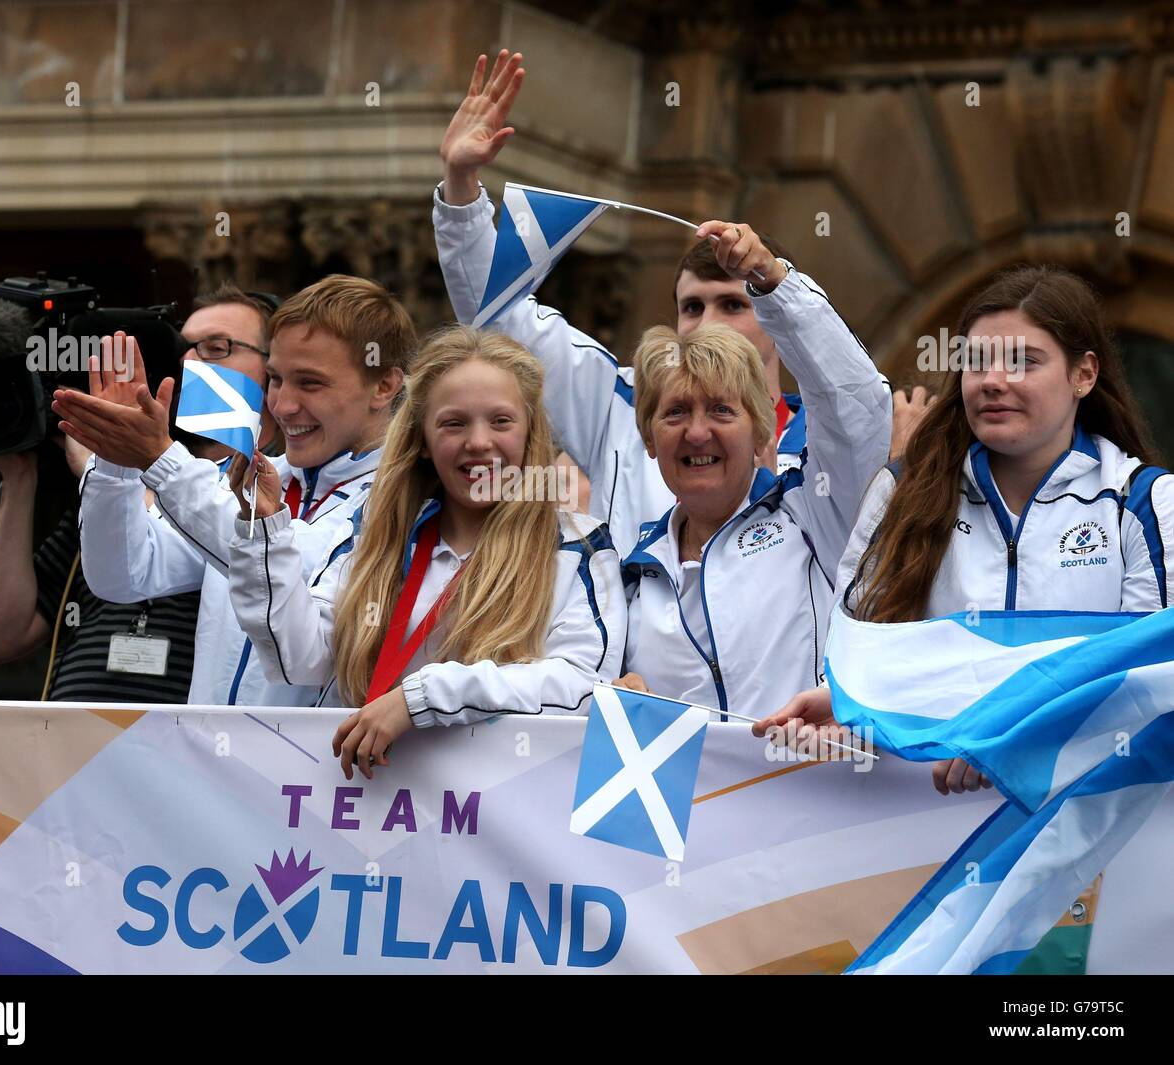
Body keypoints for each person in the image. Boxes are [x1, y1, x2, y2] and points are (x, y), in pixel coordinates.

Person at [433, 50, 893, 557]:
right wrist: (461, 190)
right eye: (692, 308)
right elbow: (498, 316)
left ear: (776, 320)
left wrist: (771, 277)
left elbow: (858, 398)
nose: (707, 324)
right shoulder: (622, 407)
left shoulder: (822, 437)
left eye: (733, 305)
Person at [754, 264, 1174, 793]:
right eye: (977, 362)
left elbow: (1150, 680)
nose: (994, 381)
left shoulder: (1145, 503)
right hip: (923, 830)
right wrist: (848, 706)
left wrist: (1009, 740)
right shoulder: (902, 493)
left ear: (1083, 375)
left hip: (1088, 832)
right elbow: (864, 649)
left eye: (1024, 362)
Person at [225, 326, 626, 779]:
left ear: (531, 432)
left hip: (496, 823)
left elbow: (583, 686)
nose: (478, 442)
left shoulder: (576, 547)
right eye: (454, 423)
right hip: (361, 809)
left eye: (500, 421)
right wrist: (266, 531)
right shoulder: (377, 534)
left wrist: (421, 699)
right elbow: (296, 659)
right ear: (423, 441)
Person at [54, 278, 413, 706]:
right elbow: (124, 575)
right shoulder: (245, 474)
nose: (282, 405)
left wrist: (158, 459)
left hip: (310, 772)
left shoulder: (407, 504)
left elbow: (301, 654)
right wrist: (115, 462)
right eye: (277, 379)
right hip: (208, 766)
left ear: (384, 385)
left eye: (311, 383)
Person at [618, 309, 889, 718]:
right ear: (649, 436)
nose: (696, 432)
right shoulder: (632, 577)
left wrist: (778, 289)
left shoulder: (816, 515)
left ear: (761, 427)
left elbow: (856, 405)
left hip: (810, 777)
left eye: (721, 410)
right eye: (675, 412)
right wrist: (616, 694)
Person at [0, 433, 201, 702]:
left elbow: (211, 524)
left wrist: (100, 470)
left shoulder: (228, 499)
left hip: (177, 732)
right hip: (71, 730)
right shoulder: (94, 515)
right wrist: (18, 479)